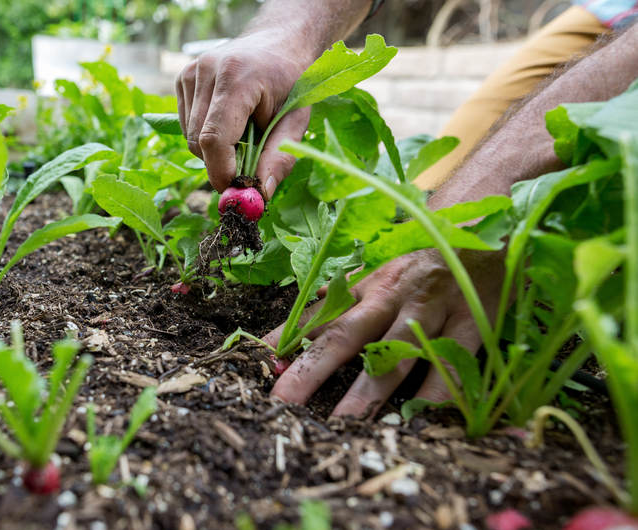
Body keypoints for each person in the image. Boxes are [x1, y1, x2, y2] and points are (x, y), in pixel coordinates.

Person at [175, 0, 638, 418]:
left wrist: (474, 224)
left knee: (515, 203)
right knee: (435, 186)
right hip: (606, 13)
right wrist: (286, 33)